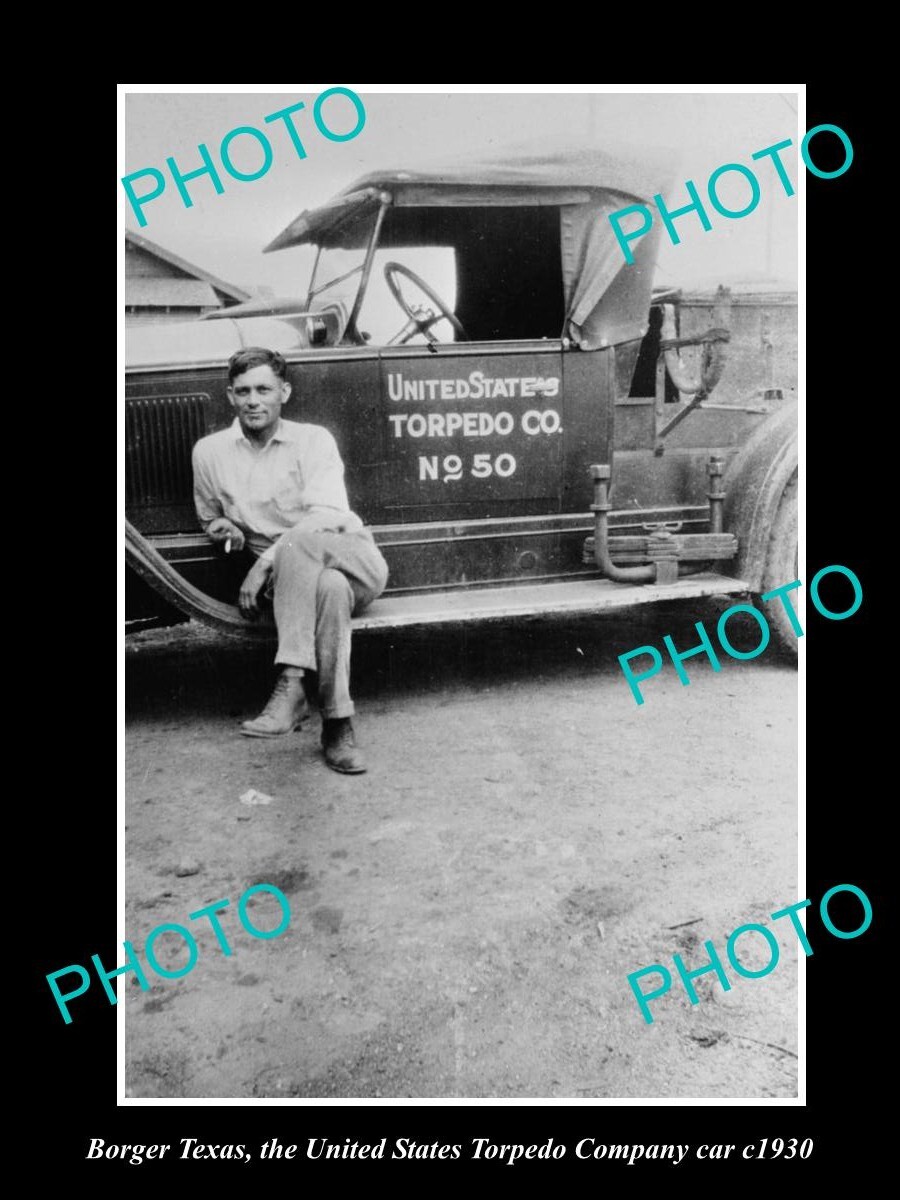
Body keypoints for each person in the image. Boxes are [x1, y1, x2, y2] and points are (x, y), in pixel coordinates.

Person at [191, 346, 389, 774]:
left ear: (284, 392)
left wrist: (263, 563)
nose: (253, 400)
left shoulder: (313, 440)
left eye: (264, 389)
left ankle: (292, 682)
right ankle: (338, 726)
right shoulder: (210, 453)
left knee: (307, 549)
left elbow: (325, 519)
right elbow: (209, 515)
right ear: (229, 396)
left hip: (352, 557)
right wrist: (224, 530)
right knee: (328, 590)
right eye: (243, 391)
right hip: (303, 584)